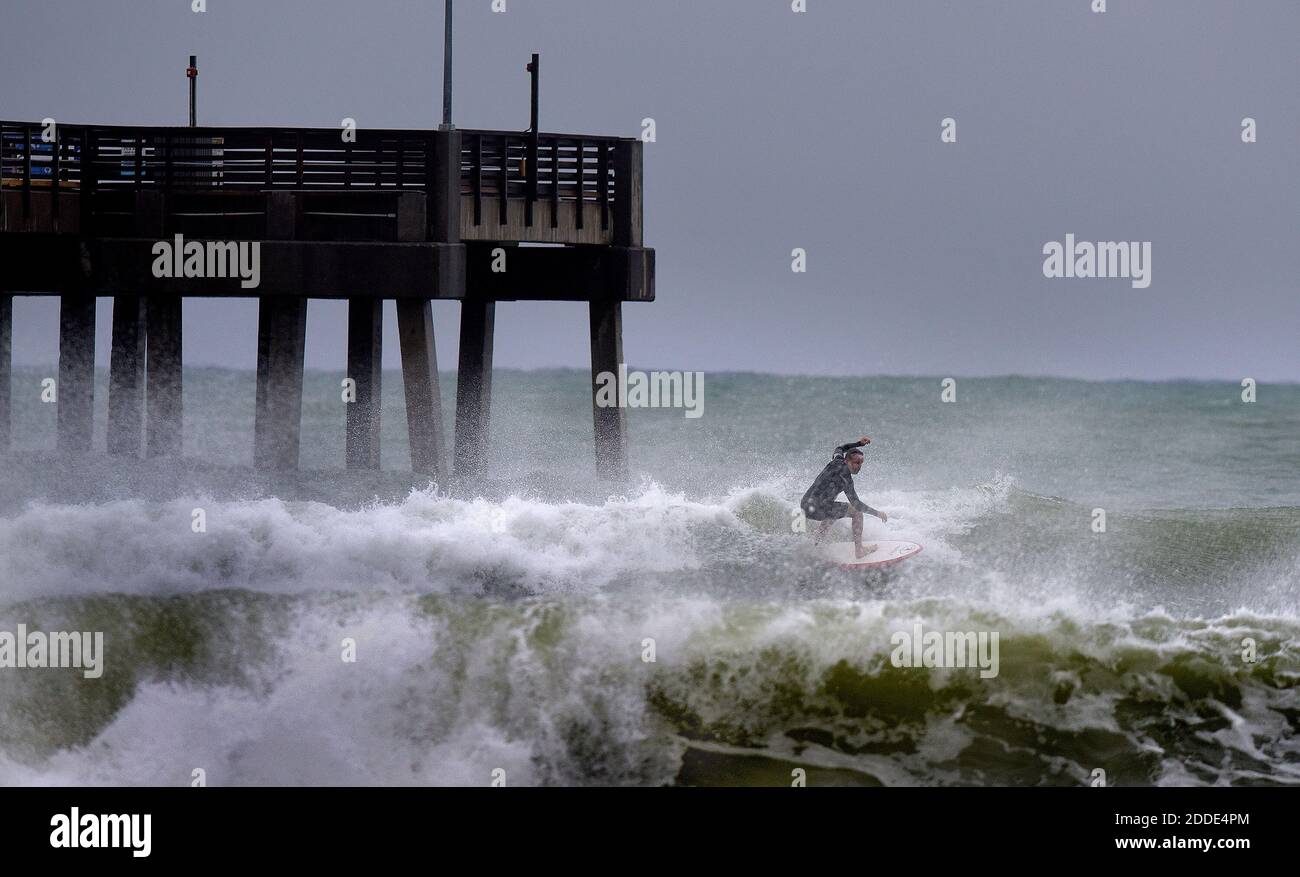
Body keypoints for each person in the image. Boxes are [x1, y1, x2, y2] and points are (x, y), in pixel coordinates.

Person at [800, 436, 888, 559]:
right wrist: (877, 513)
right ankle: (859, 550)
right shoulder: (846, 479)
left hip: (805, 505)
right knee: (856, 512)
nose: (859, 466)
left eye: (861, 463)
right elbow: (856, 504)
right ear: (847, 461)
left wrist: (858, 443)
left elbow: (840, 448)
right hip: (816, 507)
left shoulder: (837, 460)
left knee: (833, 511)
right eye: (856, 463)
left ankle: (816, 544)